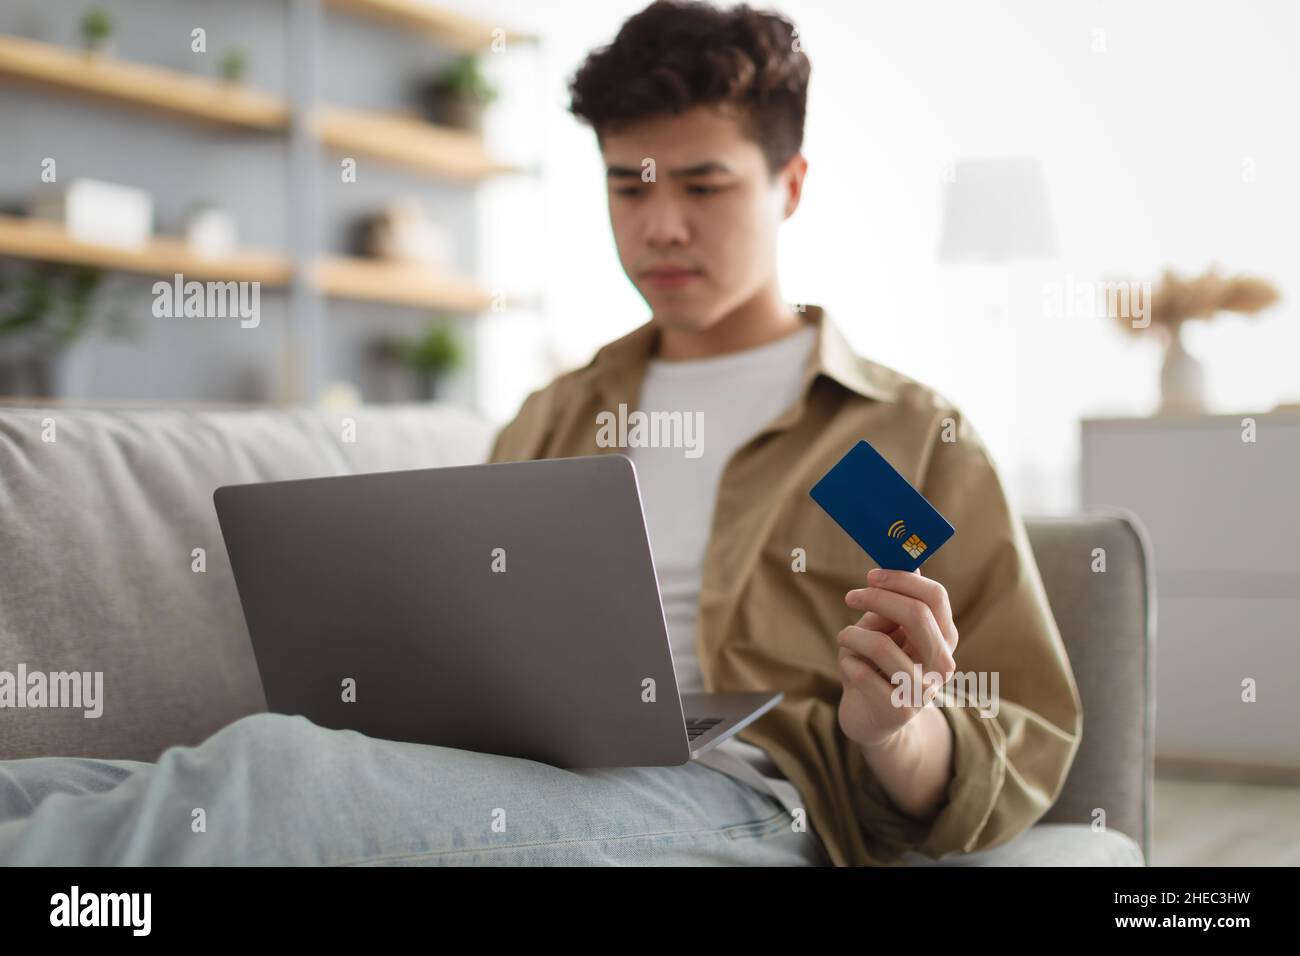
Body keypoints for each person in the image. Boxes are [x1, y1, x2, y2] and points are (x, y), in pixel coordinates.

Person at [0, 0, 1087, 867]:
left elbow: (1015, 735)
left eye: (703, 184)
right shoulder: (557, 412)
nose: (659, 224)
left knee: (274, 778)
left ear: (788, 185)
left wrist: (895, 728)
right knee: (49, 786)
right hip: (523, 770)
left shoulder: (900, 437)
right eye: (628, 185)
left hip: (755, 797)